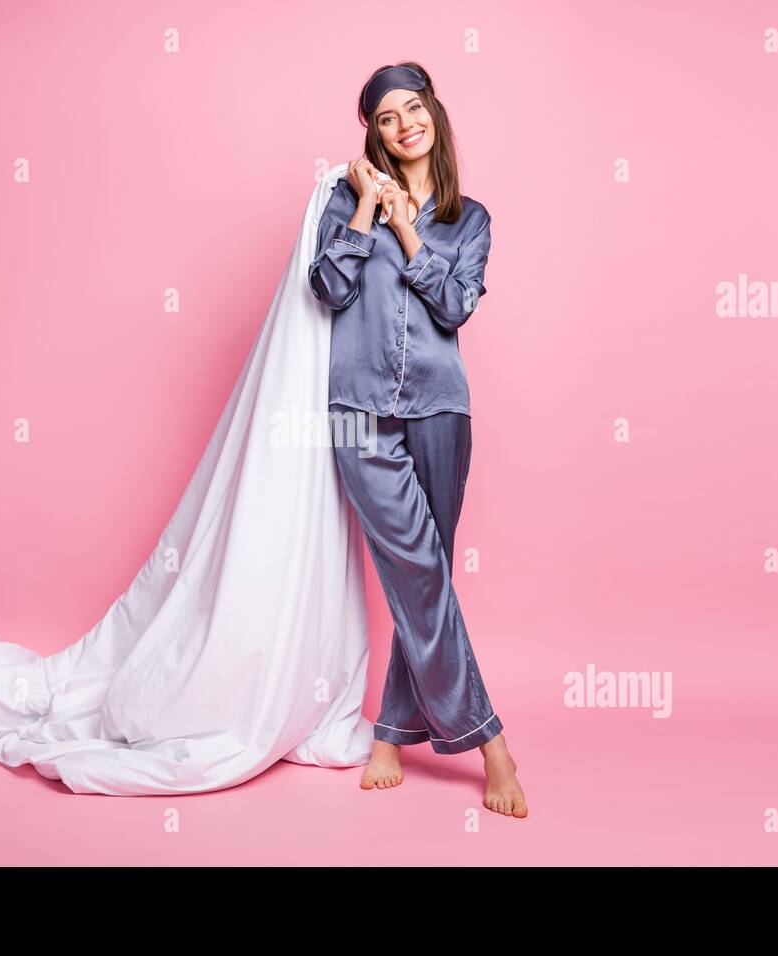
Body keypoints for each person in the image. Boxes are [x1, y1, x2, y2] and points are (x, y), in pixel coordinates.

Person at [308, 62, 527, 818]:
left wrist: (407, 229)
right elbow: (328, 289)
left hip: (440, 411)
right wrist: (370, 209)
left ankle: (391, 735)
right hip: (357, 411)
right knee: (419, 573)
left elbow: (455, 307)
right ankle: (492, 745)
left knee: (424, 578)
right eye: (387, 117)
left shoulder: (472, 219)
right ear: (373, 132)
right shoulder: (345, 199)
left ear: (434, 113)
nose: (405, 125)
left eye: (414, 109)